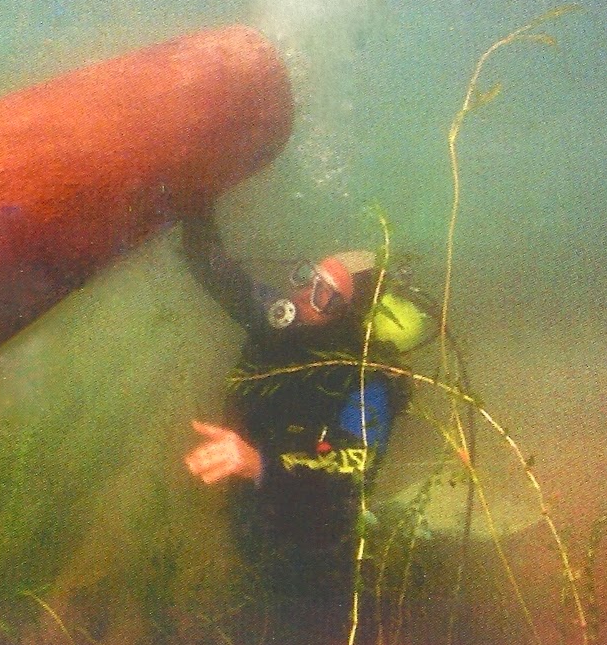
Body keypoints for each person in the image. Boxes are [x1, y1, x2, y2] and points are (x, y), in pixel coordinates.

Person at [180, 206, 429, 620]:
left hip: (314, 542)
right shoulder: (278, 319)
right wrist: (194, 203)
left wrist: (259, 463)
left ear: (348, 314)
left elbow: (352, 470)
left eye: (324, 293)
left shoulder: (365, 381)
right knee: (252, 585)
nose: (302, 294)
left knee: (296, 615)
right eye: (307, 277)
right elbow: (219, 273)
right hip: (252, 508)